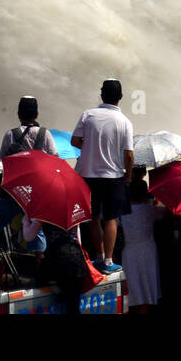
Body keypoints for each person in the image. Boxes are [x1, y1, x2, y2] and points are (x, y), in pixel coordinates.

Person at [71, 78, 135, 273]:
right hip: (113, 176)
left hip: (87, 174)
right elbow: (129, 155)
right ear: (121, 97)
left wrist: (91, 148)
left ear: (101, 94)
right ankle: (108, 260)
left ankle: (98, 256)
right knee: (111, 218)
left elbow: (75, 140)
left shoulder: (88, 115)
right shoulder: (124, 122)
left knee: (94, 217)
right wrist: (128, 175)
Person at [0, 96, 58, 250]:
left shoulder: (10, 134)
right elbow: (55, 160)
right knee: (35, 229)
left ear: (18, 114)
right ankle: (38, 264)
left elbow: (2, 160)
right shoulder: (45, 134)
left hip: (14, 191)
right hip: (36, 193)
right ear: (37, 114)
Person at [118, 177, 164, 313]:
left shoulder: (122, 212)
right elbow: (166, 212)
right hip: (148, 251)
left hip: (129, 252)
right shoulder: (150, 210)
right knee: (147, 287)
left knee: (133, 288)